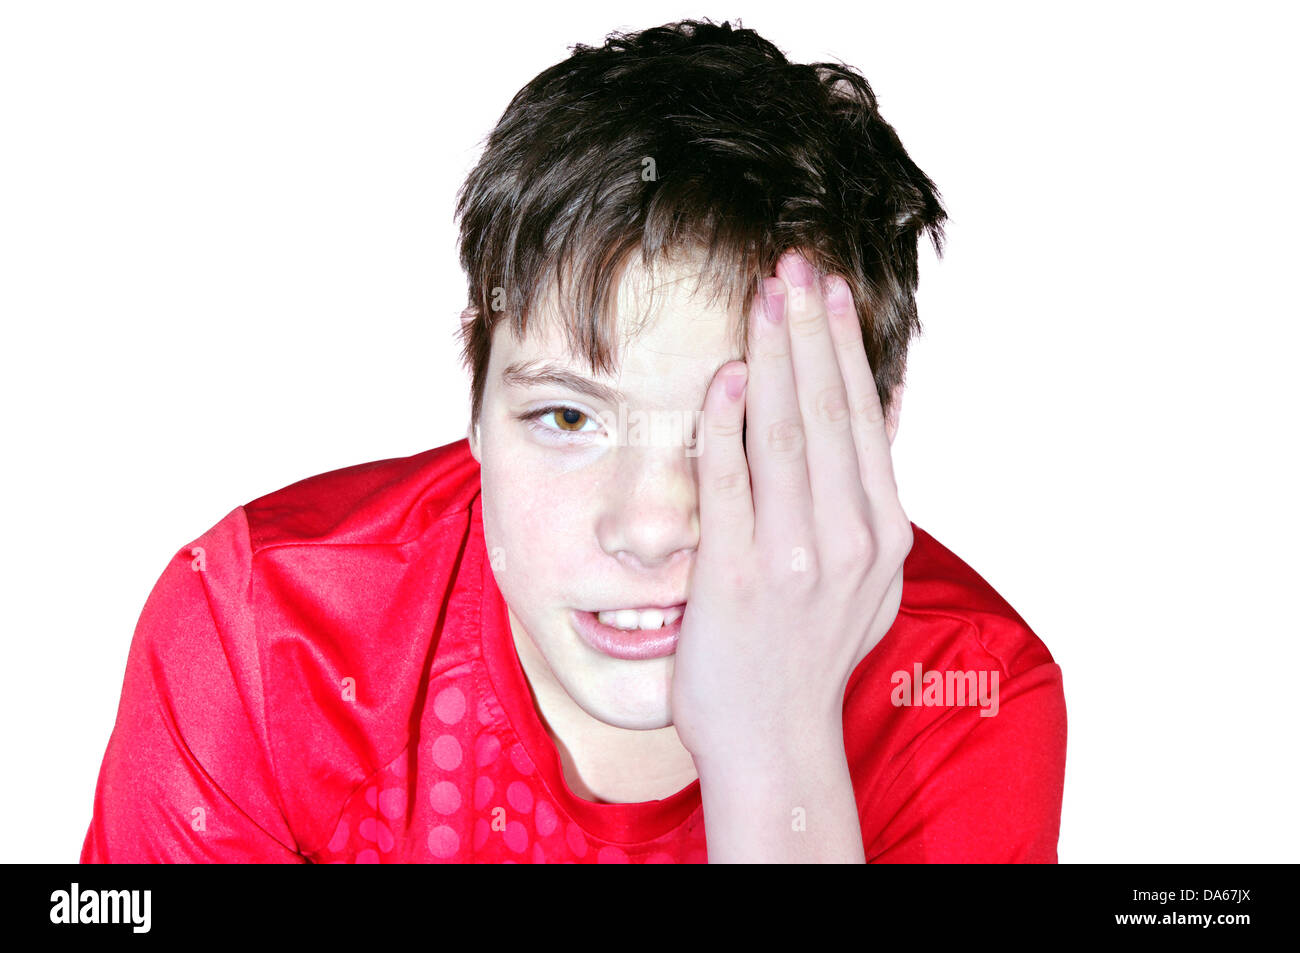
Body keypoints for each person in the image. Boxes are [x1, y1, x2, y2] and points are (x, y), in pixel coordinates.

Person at [80, 18, 1066, 863]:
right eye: (567, 417)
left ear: (875, 426)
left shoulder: (963, 696)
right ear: (475, 393)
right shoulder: (261, 630)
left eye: (745, 431)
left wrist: (773, 744)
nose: (647, 526)